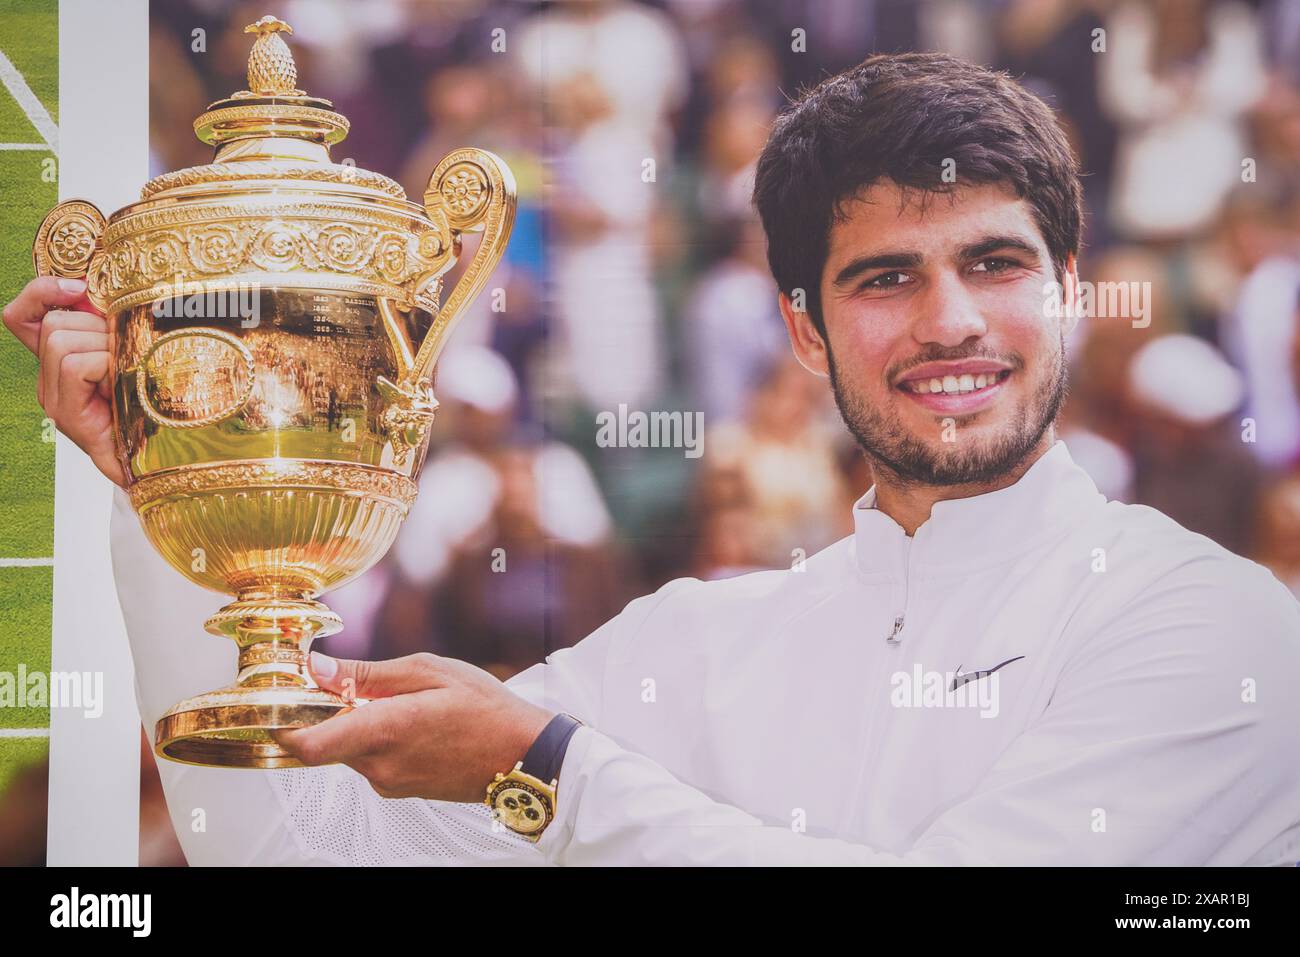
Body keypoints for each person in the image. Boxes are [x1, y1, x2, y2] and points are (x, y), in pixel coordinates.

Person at [8, 52, 1300, 866]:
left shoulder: (1216, 623)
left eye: (996, 264)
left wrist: (550, 771)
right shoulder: (687, 643)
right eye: (884, 277)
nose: (950, 319)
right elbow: (288, 848)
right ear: (801, 325)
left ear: (1070, 289)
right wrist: (169, 491)